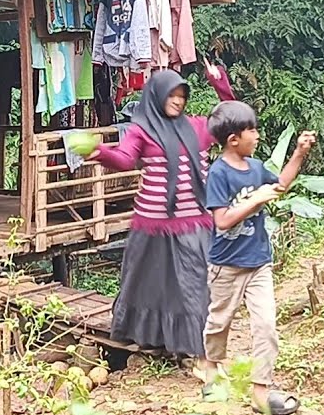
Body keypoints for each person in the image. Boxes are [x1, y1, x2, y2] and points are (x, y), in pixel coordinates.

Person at [86, 69, 229, 361]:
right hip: (151, 225)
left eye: (181, 96)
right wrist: (100, 152)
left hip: (192, 224)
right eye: (171, 96)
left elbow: (232, 118)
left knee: (191, 285)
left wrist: (219, 83)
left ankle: (196, 349)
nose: (177, 101)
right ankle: (151, 338)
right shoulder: (143, 130)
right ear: (156, 97)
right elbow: (125, 159)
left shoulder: (199, 127)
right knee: (149, 285)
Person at [199, 100, 316, 415]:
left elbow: (279, 185)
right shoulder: (219, 174)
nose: (257, 135)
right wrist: (255, 200)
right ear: (233, 139)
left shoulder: (256, 167)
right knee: (218, 322)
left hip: (259, 262)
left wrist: (299, 153)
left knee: (266, 325)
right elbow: (222, 220)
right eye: (251, 130)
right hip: (226, 265)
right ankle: (211, 367)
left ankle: (261, 390)